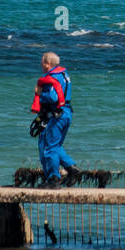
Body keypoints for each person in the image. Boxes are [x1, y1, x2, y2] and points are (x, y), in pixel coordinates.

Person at [30, 52, 79, 187]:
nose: (41, 64)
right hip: (67, 113)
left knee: (49, 147)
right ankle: (72, 169)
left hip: (57, 116)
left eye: (42, 62)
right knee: (56, 146)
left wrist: (40, 94)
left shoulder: (52, 77)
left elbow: (53, 97)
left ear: (48, 64)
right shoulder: (65, 75)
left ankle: (53, 179)